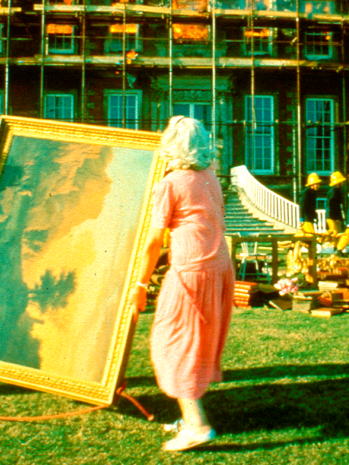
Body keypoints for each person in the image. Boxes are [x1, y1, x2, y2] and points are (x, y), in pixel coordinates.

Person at [134, 116, 234, 452]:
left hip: (192, 269)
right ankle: (190, 417)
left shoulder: (171, 183)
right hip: (218, 264)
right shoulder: (210, 177)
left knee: (173, 342)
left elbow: (153, 241)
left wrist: (140, 282)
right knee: (198, 342)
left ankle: (198, 425)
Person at [325, 171, 347, 240]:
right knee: (334, 234)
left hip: (335, 217)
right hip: (333, 217)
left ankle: (334, 247)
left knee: (337, 234)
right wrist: (336, 218)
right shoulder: (333, 192)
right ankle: (328, 245)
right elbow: (332, 206)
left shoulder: (337, 191)